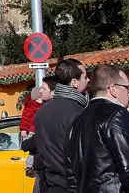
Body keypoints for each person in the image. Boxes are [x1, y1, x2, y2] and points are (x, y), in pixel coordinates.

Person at [66, 64, 129, 193]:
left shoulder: (78, 120)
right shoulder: (117, 114)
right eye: (128, 88)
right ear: (113, 90)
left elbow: (71, 173)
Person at [34, 58, 89, 193]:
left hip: (50, 184)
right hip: (74, 186)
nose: (88, 80)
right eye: (85, 77)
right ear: (74, 82)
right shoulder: (78, 112)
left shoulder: (42, 111)